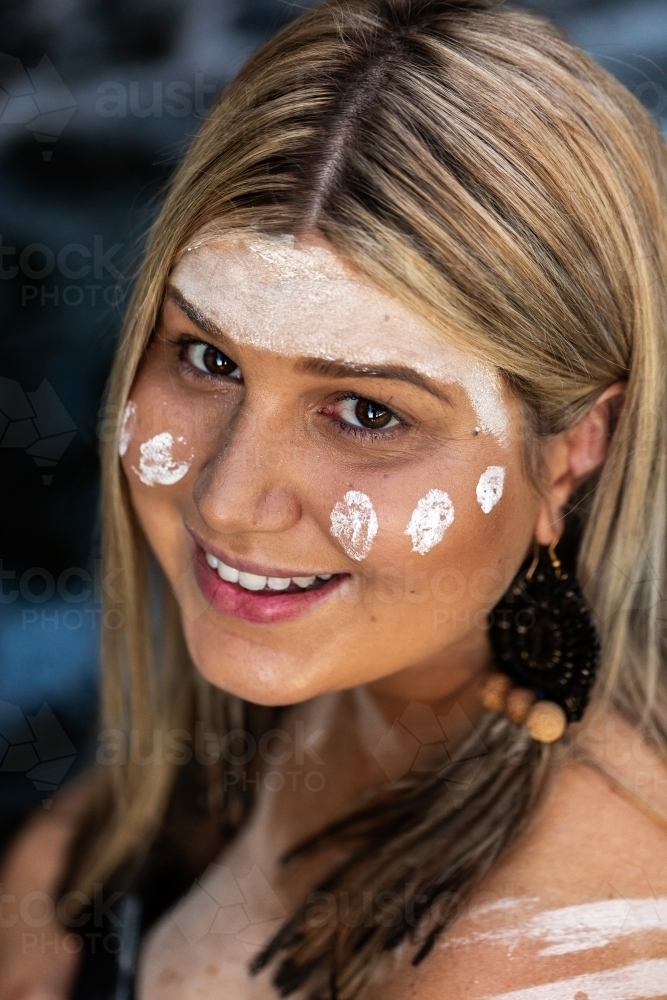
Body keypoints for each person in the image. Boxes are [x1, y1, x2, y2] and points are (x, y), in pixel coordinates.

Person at [3, 1, 667, 997]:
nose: (227, 502)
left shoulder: (556, 955)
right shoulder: (242, 732)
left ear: (579, 447)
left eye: (364, 410)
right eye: (207, 356)